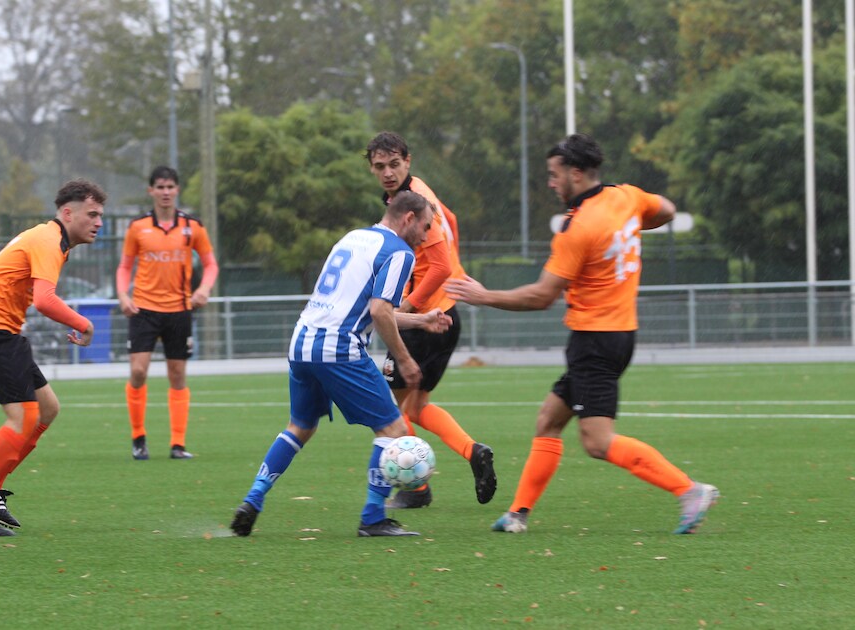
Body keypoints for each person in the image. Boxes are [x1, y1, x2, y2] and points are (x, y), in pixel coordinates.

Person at [446, 133, 719, 534]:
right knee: (548, 420)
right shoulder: (626, 197)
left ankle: (689, 490)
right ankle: (517, 514)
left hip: (596, 340)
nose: (551, 183)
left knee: (597, 441)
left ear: (576, 173)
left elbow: (541, 296)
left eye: (555, 175)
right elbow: (668, 210)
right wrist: (633, 231)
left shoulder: (580, 227)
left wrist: (484, 296)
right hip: (616, 333)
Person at [229, 191, 453, 538]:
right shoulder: (399, 252)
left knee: (299, 427)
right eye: (424, 227)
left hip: (302, 342)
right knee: (393, 430)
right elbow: (379, 311)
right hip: (339, 348)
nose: (425, 237)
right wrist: (406, 360)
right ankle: (373, 518)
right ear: (408, 218)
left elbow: (367, 307)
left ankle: (253, 499)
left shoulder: (354, 238)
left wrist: (422, 320)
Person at [0, 178, 107, 537]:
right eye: (92, 214)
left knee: (46, 409)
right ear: (68, 213)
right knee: (23, 416)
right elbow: (44, 300)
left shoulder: (49, 238)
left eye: (101, 216)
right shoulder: (49, 240)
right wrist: (85, 325)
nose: (99, 222)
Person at [364, 132, 496, 510]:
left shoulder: (416, 201)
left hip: (428, 321)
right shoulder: (417, 192)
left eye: (394, 164)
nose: (388, 173)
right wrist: (459, 275)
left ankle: (415, 490)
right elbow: (450, 221)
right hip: (443, 315)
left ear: (408, 160)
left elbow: (438, 263)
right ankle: (473, 452)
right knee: (416, 408)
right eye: (380, 166)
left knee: (392, 414)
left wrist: (407, 307)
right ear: (371, 167)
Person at [115, 166, 218, 460]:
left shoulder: (192, 227)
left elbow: (211, 264)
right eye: (159, 187)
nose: (165, 192)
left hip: (179, 311)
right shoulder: (138, 227)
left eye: (170, 186)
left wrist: (204, 289)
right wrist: (123, 295)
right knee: (138, 371)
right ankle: (138, 439)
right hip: (143, 309)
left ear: (177, 190)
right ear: (151, 191)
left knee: (177, 375)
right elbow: (124, 266)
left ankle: (177, 444)